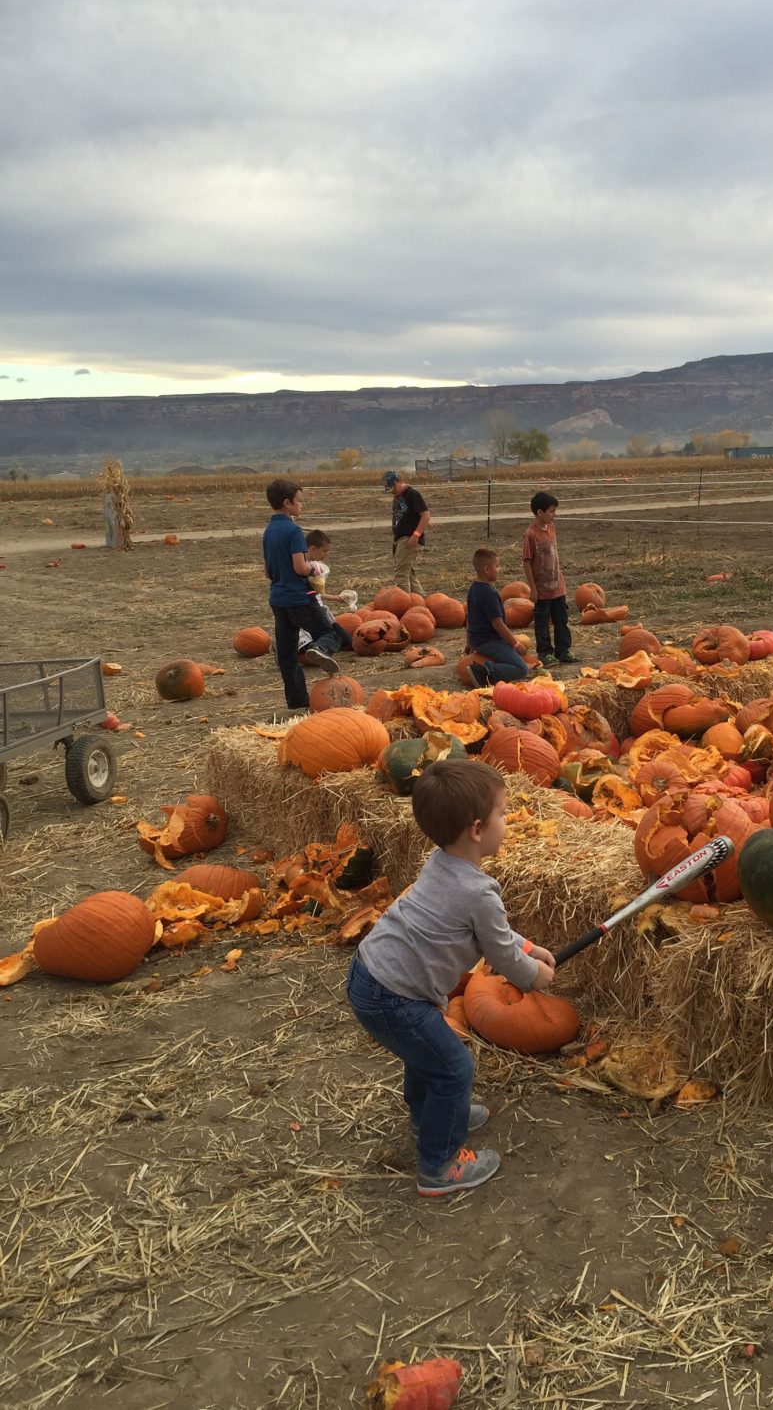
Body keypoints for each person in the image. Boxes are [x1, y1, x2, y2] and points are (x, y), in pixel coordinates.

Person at [346, 759, 556, 1196]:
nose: (507, 822)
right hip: (395, 996)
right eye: (503, 814)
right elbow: (500, 951)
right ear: (478, 830)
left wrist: (529, 948)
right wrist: (533, 975)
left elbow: (493, 934)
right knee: (453, 1067)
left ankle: (434, 1117)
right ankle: (439, 1165)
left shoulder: (440, 863)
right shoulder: (479, 891)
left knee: (427, 1056)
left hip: (370, 974)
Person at [262, 479, 341, 711]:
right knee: (330, 633)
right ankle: (318, 649)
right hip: (299, 597)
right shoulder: (293, 530)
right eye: (299, 501)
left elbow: (267, 572)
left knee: (287, 655)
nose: (301, 505)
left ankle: (297, 703)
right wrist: (313, 569)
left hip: (278, 599)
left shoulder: (268, 531)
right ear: (287, 503)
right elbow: (299, 567)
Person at [522, 490, 579, 668]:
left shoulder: (551, 527)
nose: (554, 515)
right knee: (542, 622)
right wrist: (533, 588)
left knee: (561, 619)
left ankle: (563, 651)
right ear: (540, 512)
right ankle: (545, 653)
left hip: (557, 585)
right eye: (551, 511)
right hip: (541, 588)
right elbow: (526, 562)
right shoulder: (530, 535)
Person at [464, 547, 531, 688]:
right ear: (487, 569)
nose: (499, 569)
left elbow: (470, 617)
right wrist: (516, 645)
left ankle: (492, 669)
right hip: (489, 641)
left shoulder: (473, 588)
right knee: (522, 669)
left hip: (477, 640)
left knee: (513, 657)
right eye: (497, 566)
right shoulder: (490, 594)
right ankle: (485, 671)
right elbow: (498, 625)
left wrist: (469, 642)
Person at [297, 529, 355, 656]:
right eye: (324, 550)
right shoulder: (304, 568)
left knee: (346, 640)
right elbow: (309, 595)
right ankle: (317, 648)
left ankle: (316, 645)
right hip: (310, 610)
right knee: (332, 636)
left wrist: (336, 598)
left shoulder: (315, 566)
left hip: (317, 607)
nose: (326, 554)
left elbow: (315, 593)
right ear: (313, 549)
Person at [383, 470, 430, 595]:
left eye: (393, 487)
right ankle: (420, 602)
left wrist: (416, 534)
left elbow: (425, 515)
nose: (391, 491)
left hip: (408, 538)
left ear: (399, 482)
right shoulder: (397, 496)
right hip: (400, 538)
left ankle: (403, 602)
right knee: (409, 574)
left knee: (401, 574)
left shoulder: (412, 494)